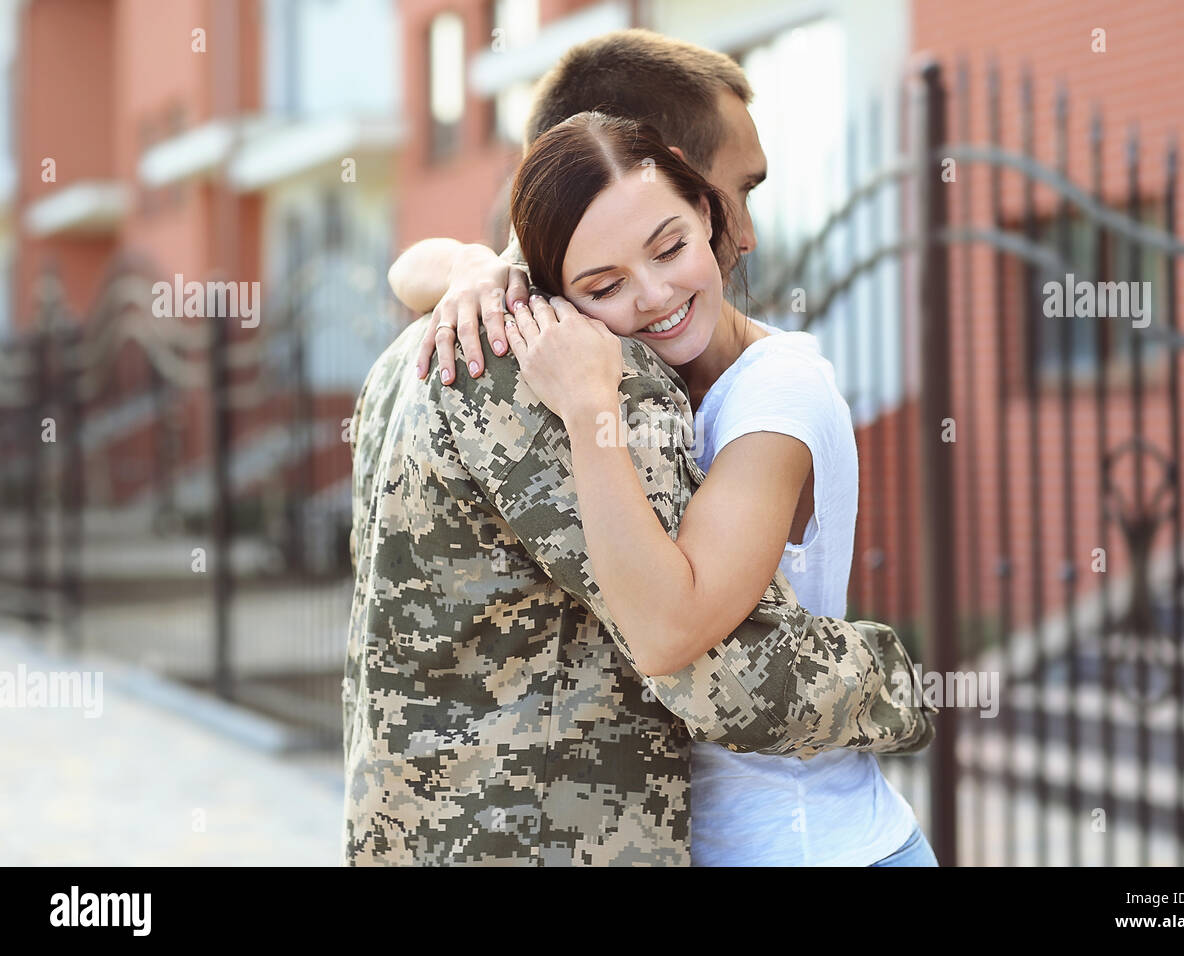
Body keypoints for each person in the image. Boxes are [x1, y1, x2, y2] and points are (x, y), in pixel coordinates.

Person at [345, 29, 935, 867]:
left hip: (813, 843)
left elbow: (685, 638)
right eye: (739, 189)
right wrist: (887, 683)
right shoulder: (547, 361)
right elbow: (690, 648)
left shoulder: (765, 386)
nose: (747, 232)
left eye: (674, 243)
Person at [489, 110, 935, 867]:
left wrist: (589, 410)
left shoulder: (780, 390)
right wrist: (473, 276)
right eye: (605, 286)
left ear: (705, 209)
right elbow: (417, 269)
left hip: (813, 847)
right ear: (558, 303)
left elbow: (669, 631)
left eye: (670, 248)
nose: (657, 294)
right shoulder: (648, 389)